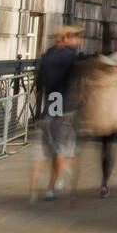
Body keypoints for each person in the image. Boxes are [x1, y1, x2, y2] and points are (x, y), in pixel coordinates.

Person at [77, 37, 117, 198]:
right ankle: (105, 180)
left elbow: (85, 89)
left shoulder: (95, 67)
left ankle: (105, 180)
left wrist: (83, 104)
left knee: (105, 146)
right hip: (115, 112)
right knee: (108, 146)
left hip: (100, 112)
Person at [30, 24, 83, 203]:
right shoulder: (71, 57)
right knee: (63, 149)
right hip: (67, 105)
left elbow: (39, 84)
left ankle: (36, 183)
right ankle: (52, 186)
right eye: (76, 36)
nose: (79, 39)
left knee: (49, 147)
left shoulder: (47, 56)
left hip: (52, 102)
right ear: (66, 38)